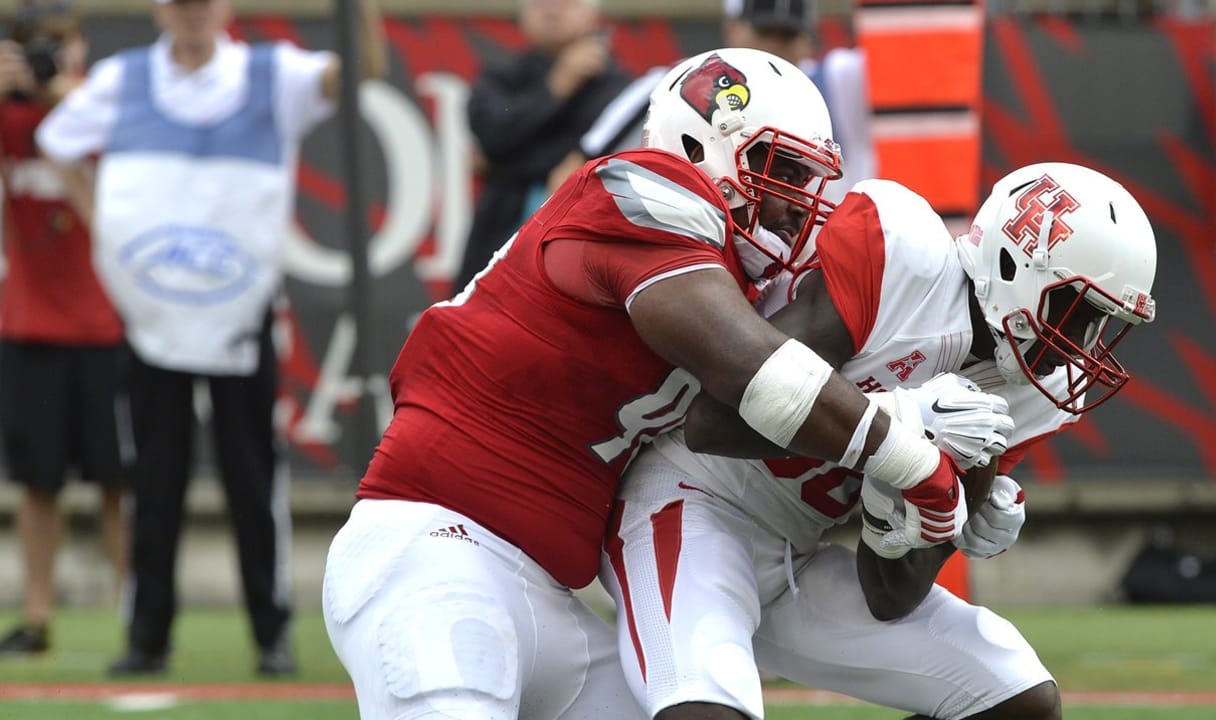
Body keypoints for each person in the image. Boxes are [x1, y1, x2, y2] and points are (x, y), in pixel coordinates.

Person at [322, 47, 978, 720]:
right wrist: (911, 454)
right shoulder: (640, 191)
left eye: (809, 177)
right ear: (700, 143)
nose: (796, 202)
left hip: (541, 591)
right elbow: (761, 373)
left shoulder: (727, 271)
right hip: (434, 551)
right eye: (780, 168)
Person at [602, 163, 1158, 720]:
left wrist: (903, 522)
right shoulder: (901, 257)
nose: (1080, 348)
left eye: (1099, 325)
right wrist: (895, 422)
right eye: (1077, 313)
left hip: (798, 548)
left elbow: (889, 595)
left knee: (1016, 700)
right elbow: (713, 423)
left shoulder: (1036, 396)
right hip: (692, 498)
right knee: (707, 710)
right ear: (1017, 263)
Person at [36, 0, 387, 676]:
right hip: (152, 317)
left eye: (203, 3)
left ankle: (270, 634)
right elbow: (57, 142)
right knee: (154, 478)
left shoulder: (270, 73)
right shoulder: (123, 79)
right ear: (159, 10)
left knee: (252, 474)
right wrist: (107, 226)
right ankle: (147, 636)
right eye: (180, 3)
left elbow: (359, 71)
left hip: (241, 310)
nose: (193, 14)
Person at [0, 0, 128, 657]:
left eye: (60, 45)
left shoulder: (103, 113)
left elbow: (112, 205)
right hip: (30, 323)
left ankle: (141, 617)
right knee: (37, 481)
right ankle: (37, 616)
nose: (50, 57)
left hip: (107, 324)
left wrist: (61, 99)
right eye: (36, 46)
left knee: (118, 481)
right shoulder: (9, 119)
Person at [546, 0, 876, 199]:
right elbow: (569, 178)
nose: (775, 47)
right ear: (732, 30)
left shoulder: (837, 83)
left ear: (808, 40)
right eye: (764, 33)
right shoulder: (674, 86)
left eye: (788, 36)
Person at [453, 0, 633, 292]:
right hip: (500, 240)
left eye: (566, 3)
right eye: (541, 2)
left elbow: (599, 159)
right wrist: (558, 84)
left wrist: (501, 164)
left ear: (593, 14)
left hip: (585, 251)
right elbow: (494, 135)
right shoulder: (500, 75)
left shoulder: (619, 88)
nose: (552, 10)